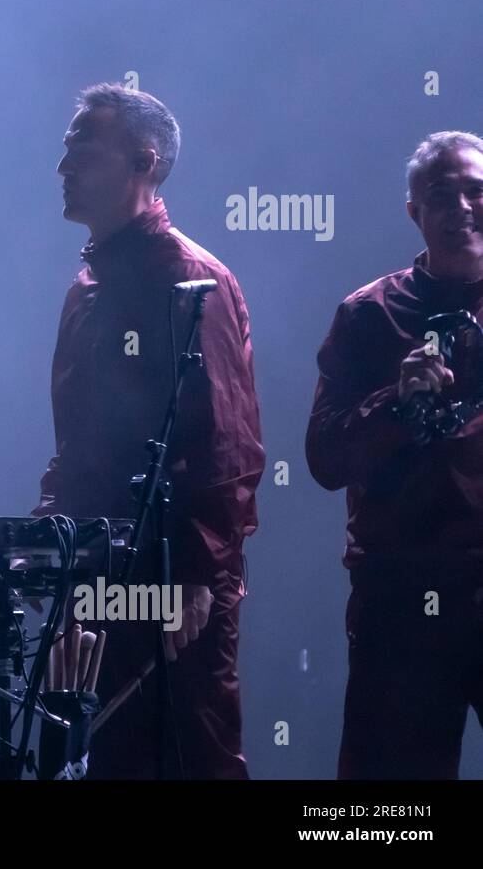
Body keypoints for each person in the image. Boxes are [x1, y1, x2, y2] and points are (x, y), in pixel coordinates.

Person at [33, 84, 265, 778]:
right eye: (65, 147)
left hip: (172, 573)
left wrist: (195, 577)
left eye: (83, 146)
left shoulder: (193, 280)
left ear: (145, 160)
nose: (62, 165)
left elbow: (226, 445)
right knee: (98, 755)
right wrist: (47, 534)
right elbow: (78, 444)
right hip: (99, 572)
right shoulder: (87, 290)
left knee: (188, 754)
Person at [306, 131, 483, 779]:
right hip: (401, 598)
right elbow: (323, 459)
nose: (463, 207)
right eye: (443, 194)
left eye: (477, 191)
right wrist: (393, 404)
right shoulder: (366, 317)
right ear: (414, 210)